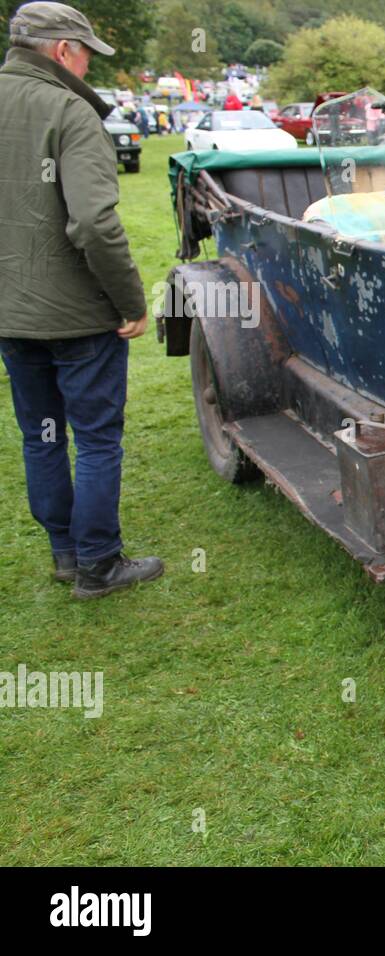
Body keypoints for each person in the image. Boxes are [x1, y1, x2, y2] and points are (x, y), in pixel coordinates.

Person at [0, 2, 163, 597]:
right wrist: (130, 303)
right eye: (87, 51)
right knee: (95, 438)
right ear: (64, 50)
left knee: (41, 435)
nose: (90, 62)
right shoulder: (70, 109)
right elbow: (94, 223)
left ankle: (67, 554)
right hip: (76, 316)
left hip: (13, 314)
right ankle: (97, 563)